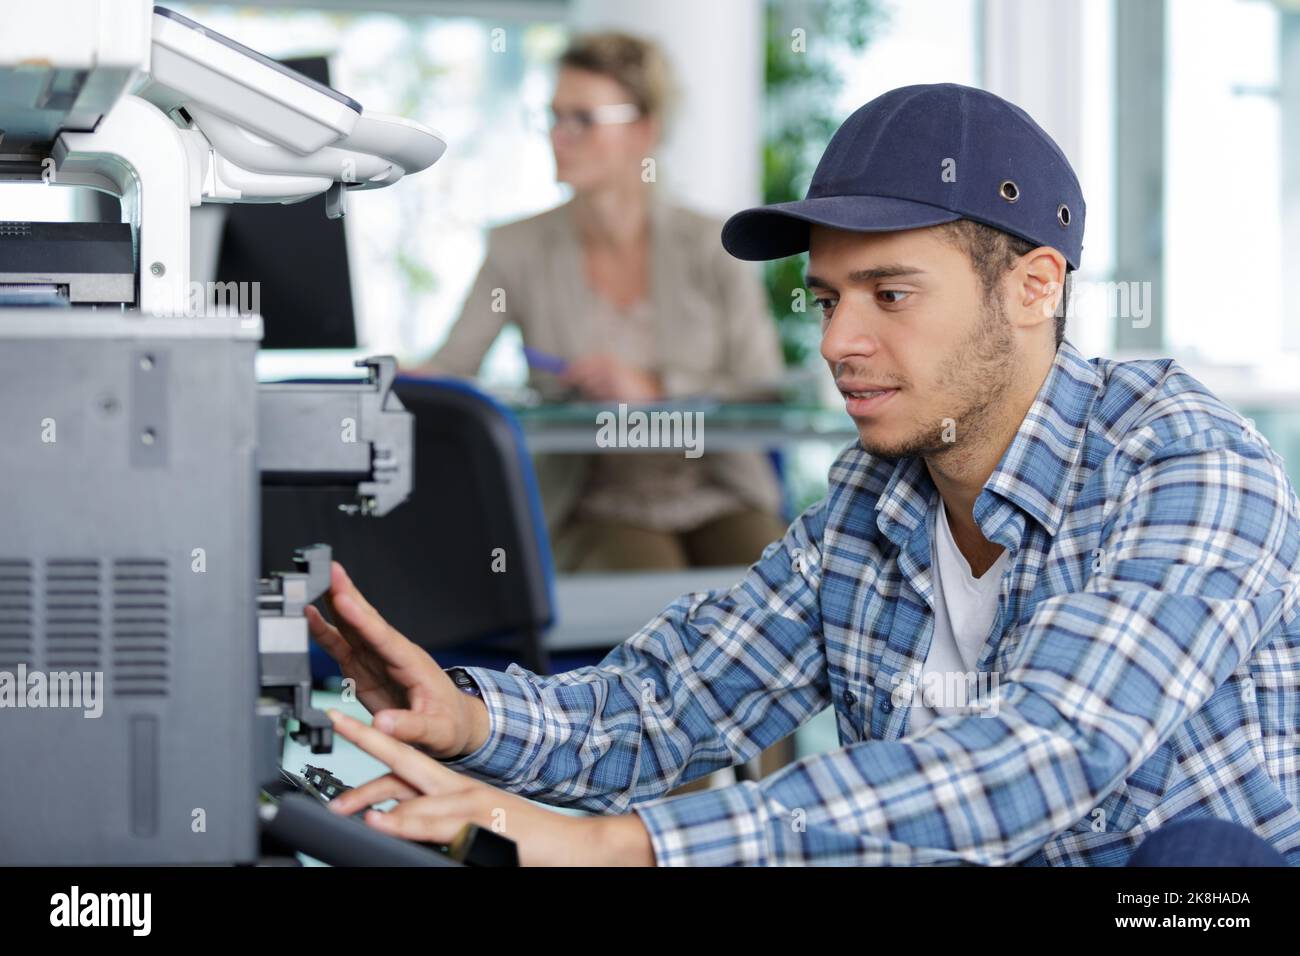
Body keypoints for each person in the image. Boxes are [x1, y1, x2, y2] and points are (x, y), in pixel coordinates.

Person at [310, 83, 1300, 866]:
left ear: (1034, 285)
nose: (839, 340)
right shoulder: (874, 501)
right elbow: (672, 702)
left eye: (891, 292)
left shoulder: (1188, 466)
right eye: (826, 297)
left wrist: (621, 843)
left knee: (1200, 863)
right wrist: (467, 713)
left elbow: (1047, 752)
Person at [409, 31, 787, 572]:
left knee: (769, 582)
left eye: (583, 119)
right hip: (594, 501)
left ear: (644, 130)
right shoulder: (516, 248)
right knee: (655, 586)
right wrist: (395, 377)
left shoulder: (714, 243)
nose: (559, 137)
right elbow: (451, 368)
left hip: (719, 487)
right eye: (554, 117)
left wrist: (656, 390)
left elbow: (762, 386)